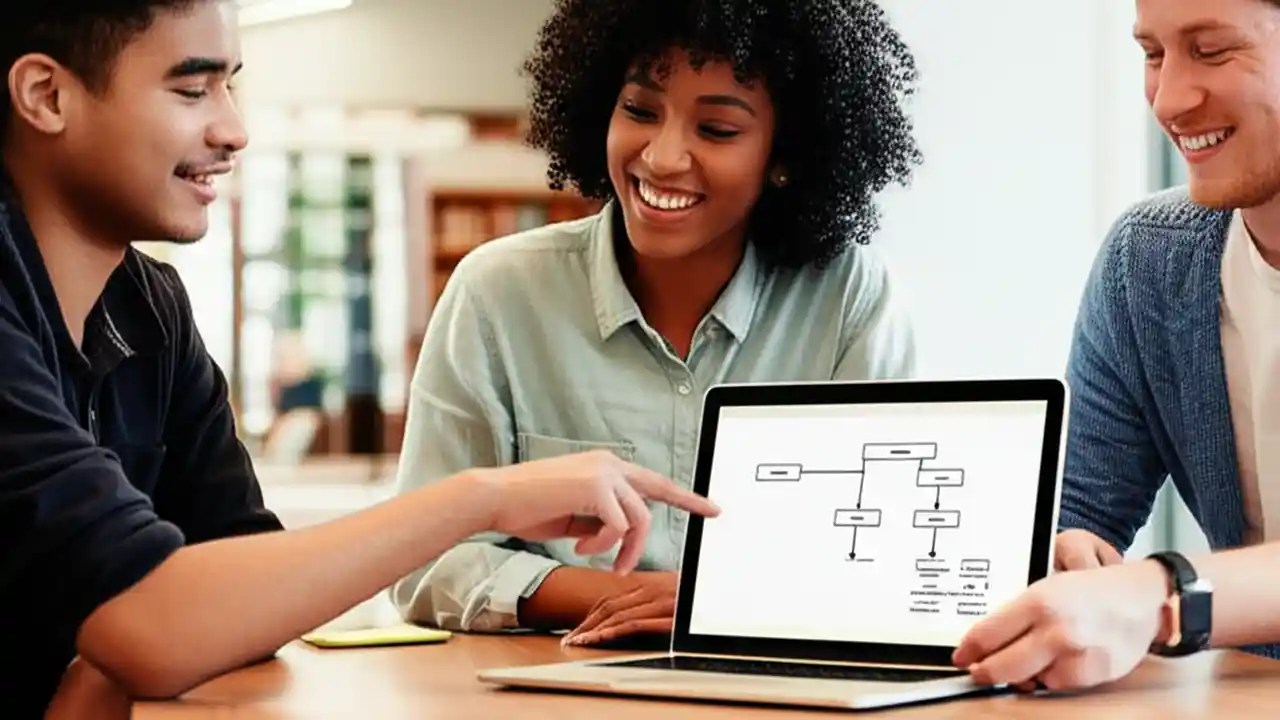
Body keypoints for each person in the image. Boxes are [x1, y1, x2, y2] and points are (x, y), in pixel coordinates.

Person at [0, 2, 719, 716]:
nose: (233, 130)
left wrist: (112, 661)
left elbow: (245, 609)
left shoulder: (150, 308)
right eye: (192, 91)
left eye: (230, 87)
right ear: (46, 96)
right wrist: (482, 498)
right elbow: (156, 627)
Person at [391, 0, 921, 648]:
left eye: (718, 130)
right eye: (640, 111)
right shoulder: (498, 293)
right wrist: (636, 601)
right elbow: (423, 562)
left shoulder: (848, 298)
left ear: (784, 153)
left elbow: (880, 558)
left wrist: (716, 604)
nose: (664, 158)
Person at [955, 0, 1280, 691]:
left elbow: (1150, 599)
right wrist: (1058, 557)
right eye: (1153, 54)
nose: (1169, 101)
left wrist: (1159, 592)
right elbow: (1073, 517)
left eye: (1212, 51)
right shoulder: (1151, 263)